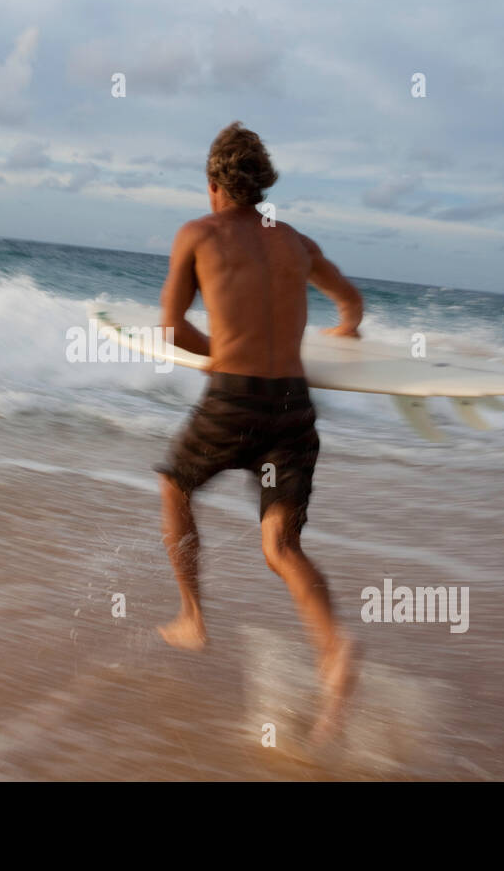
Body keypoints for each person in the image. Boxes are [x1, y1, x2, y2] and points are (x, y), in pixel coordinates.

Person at [154, 121, 364, 734]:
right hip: (293, 407)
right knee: (281, 547)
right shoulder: (297, 242)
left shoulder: (198, 234)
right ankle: (334, 652)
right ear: (261, 186)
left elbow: (171, 329)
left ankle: (192, 616)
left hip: (233, 400)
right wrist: (345, 329)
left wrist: (222, 350)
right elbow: (349, 301)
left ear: (216, 184)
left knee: (174, 486)